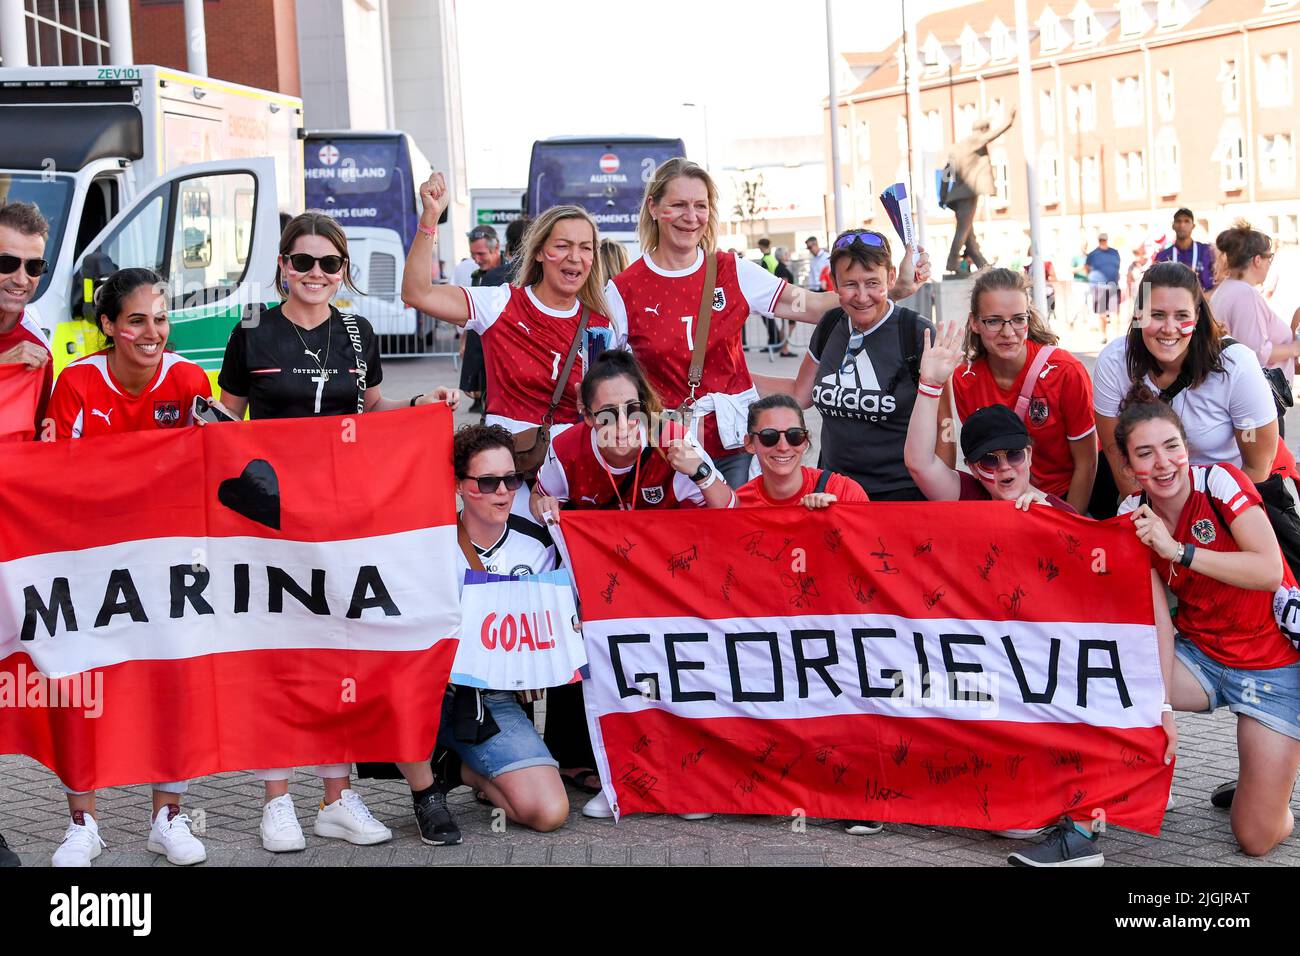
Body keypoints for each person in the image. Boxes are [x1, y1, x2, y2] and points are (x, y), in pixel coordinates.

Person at [217, 212, 460, 853]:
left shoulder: (359, 331)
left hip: (347, 517)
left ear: (344, 271)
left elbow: (373, 411)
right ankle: (276, 800)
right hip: (270, 521)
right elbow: (228, 419)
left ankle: (336, 796)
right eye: (303, 262)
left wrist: (420, 411)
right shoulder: (250, 329)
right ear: (282, 266)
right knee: (280, 655)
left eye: (329, 264)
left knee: (338, 652)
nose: (316, 274)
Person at [608, 158, 929, 490]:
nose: (691, 217)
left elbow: (815, 306)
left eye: (700, 206)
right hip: (666, 450)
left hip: (733, 448)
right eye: (678, 205)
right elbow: (606, 382)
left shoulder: (733, 271)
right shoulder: (623, 289)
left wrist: (898, 288)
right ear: (654, 207)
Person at [44, 269, 214, 867]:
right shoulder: (76, 382)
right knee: (82, 684)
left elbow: (217, 462)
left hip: (167, 560)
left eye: (161, 318)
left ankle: (167, 817)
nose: (152, 331)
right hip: (92, 560)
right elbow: (54, 480)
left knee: (172, 682)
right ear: (109, 327)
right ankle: (83, 823)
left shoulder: (191, 379)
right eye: (137, 319)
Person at [531, 350, 735, 820]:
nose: (621, 423)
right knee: (607, 672)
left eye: (631, 408)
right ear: (586, 416)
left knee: (674, 671)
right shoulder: (565, 450)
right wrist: (544, 506)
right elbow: (545, 498)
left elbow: (726, 511)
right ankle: (618, 776)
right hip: (603, 594)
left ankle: (686, 780)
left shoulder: (673, 441)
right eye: (606, 413)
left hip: (668, 588)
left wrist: (699, 471)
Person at [1115, 396, 1299, 859]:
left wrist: (1178, 551)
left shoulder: (1219, 480)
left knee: (1255, 838)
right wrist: (1159, 706)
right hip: (1200, 657)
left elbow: (1268, 570)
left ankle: (1269, 786)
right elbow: (1150, 616)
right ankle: (1106, 804)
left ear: (1186, 446)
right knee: (1110, 680)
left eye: (1171, 446)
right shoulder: (1131, 511)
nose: (1162, 463)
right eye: (1144, 453)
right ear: (1128, 464)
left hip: (1272, 667)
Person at [402, 172, 612, 458]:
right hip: (508, 473)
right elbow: (417, 293)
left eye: (585, 248)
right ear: (538, 252)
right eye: (562, 246)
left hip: (573, 469)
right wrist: (430, 218)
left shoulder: (601, 326)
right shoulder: (500, 302)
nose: (575, 257)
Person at [439, 424, 571, 834]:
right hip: (427, 694)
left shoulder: (539, 545)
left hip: (489, 700)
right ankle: (420, 775)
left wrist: (570, 626)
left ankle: (458, 771)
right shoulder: (428, 542)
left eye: (511, 480)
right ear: (459, 486)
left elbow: (556, 625)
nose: (502, 492)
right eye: (487, 481)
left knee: (549, 812)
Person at [753, 228, 952, 500]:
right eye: (850, 284)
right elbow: (800, 394)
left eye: (872, 283)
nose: (861, 296)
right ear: (834, 284)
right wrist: (736, 374)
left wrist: (945, 499)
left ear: (891, 277)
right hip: (834, 492)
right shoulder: (830, 324)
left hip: (900, 495)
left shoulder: (916, 333)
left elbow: (945, 426)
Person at [1093, 261, 1278, 510]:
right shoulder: (1114, 362)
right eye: (1157, 315)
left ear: (1197, 315)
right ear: (1138, 315)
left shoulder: (1236, 365)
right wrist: (1151, 518)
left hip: (1226, 504)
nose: (1169, 329)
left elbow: (1257, 466)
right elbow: (1117, 456)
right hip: (1146, 501)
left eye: (1181, 316)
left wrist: (1208, 523)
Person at [950, 268, 1097, 512]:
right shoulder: (965, 379)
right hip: (1008, 503)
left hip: (1066, 498)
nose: (1008, 333)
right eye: (994, 321)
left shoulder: (1065, 370)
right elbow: (984, 459)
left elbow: (1087, 462)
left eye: (1018, 319)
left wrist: (1068, 526)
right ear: (974, 323)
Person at [906, 320, 1077, 511]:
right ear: (973, 469)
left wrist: (1052, 521)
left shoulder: (1060, 511)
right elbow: (919, 464)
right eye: (989, 459)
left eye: (1013, 455)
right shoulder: (969, 496)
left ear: (1028, 455)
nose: (1004, 467)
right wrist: (929, 385)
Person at [1211, 221, 1297, 398]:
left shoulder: (1227, 289)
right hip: (1256, 397)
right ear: (1257, 260)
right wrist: (1294, 348)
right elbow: (1256, 352)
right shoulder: (1245, 294)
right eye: (1269, 258)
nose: (1269, 264)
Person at [0, 202, 53, 444]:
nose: (22, 279)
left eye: (34, 266)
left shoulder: (37, 347)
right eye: (7, 263)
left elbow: (36, 442)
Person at [940, 107, 1017, 274]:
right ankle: (952, 263)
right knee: (963, 230)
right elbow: (991, 136)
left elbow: (947, 171)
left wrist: (943, 195)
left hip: (956, 196)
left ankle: (984, 267)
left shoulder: (956, 148)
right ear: (981, 130)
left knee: (969, 234)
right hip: (968, 193)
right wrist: (1008, 122)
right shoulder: (974, 141)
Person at [459, 224, 507, 415]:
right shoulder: (479, 275)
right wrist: (463, 341)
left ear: (496, 248)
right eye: (473, 254)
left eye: (481, 254)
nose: (476, 260)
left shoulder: (508, 274)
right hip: (483, 353)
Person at [1154, 207, 1215, 292]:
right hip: (1173, 303)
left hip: (1201, 303)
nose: (1182, 225)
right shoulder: (1163, 256)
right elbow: (1147, 282)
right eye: (1178, 221)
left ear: (1193, 226)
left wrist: (1207, 298)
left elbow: (1220, 280)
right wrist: (1143, 304)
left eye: (1186, 221)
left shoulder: (1207, 251)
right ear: (1173, 226)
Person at [1085, 232, 1122, 343]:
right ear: (1099, 240)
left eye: (1104, 240)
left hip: (1112, 284)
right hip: (1099, 285)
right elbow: (1087, 267)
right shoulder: (1093, 254)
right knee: (1102, 313)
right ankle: (1104, 335)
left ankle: (1116, 337)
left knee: (1114, 312)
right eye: (1101, 240)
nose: (1103, 242)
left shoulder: (1114, 252)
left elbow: (1118, 266)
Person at [774, 247, 797, 357]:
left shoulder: (781, 267)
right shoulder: (781, 268)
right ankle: (784, 347)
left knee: (788, 324)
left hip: (788, 300)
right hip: (788, 300)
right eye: (786, 253)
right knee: (790, 324)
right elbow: (785, 286)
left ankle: (784, 346)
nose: (788, 255)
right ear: (782, 256)